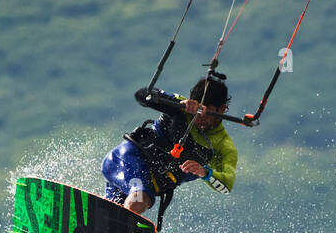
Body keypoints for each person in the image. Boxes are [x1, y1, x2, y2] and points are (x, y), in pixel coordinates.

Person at [101, 76, 238, 224]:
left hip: (147, 184)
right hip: (127, 160)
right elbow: (141, 95)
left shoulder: (223, 147)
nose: (200, 118)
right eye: (198, 110)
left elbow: (227, 185)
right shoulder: (181, 106)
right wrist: (177, 104)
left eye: (207, 112)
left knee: (112, 215)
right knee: (140, 196)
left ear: (222, 109)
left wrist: (205, 173)